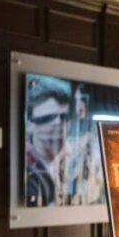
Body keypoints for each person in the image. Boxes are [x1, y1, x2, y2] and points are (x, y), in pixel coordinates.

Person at [24, 75, 70, 207]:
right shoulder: (31, 179)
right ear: (30, 124)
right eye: (49, 117)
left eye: (63, 117)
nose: (59, 124)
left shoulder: (64, 166)